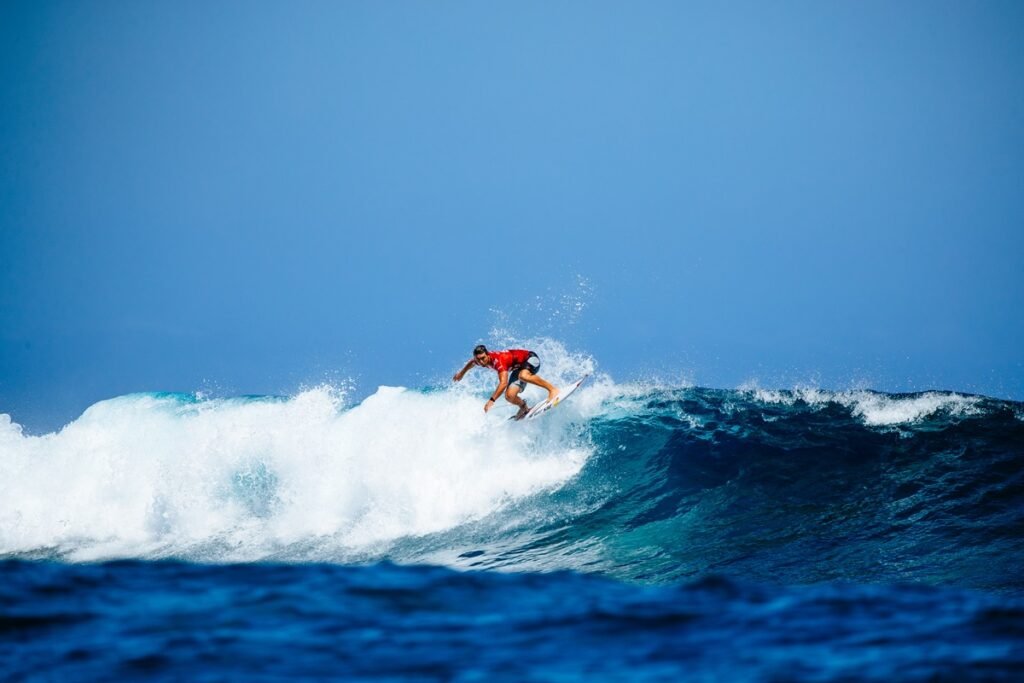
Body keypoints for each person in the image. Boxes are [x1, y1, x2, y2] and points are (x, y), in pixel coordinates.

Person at [453, 344, 559, 420]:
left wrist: (491, 400)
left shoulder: (498, 361)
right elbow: (471, 363)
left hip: (530, 359)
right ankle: (524, 407)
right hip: (519, 368)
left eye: (483, 358)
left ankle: (552, 389)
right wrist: (461, 374)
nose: (481, 362)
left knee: (523, 375)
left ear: (488, 354)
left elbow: (503, 383)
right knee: (509, 396)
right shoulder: (478, 361)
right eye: (479, 360)